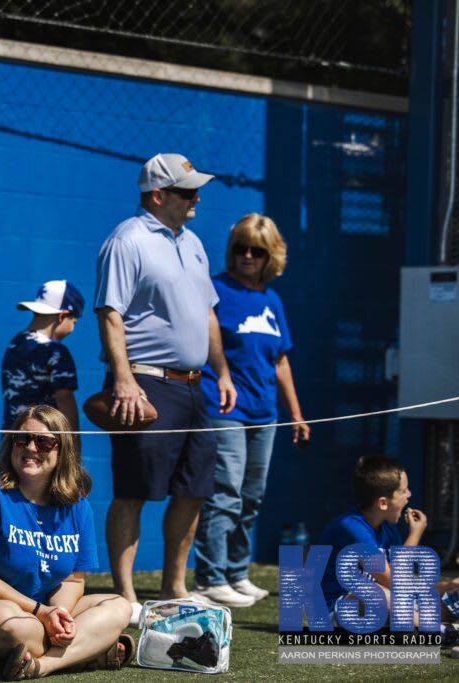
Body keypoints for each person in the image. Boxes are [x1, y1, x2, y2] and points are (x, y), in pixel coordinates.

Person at [93, 153, 237, 623]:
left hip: (195, 388)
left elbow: (208, 313)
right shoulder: (126, 239)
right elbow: (110, 313)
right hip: (146, 383)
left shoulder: (193, 241)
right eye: (187, 191)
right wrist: (124, 380)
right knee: (134, 490)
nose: (197, 198)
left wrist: (223, 372)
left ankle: (175, 587)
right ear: (158, 195)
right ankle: (126, 597)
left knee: (194, 489)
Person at [0, 405, 134, 680]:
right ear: (11, 444)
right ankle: (89, 650)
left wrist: (60, 617)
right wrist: (41, 613)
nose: (31, 448)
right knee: (19, 626)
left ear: (62, 450)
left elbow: (73, 580)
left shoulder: (77, 505)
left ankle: (43, 665)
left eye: (43, 441)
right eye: (23, 439)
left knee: (118, 606)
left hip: (41, 611)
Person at [193, 214, 309, 607]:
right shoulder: (216, 291)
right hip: (224, 406)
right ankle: (210, 577)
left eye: (256, 251)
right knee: (225, 492)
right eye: (240, 248)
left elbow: (281, 361)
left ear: (270, 256)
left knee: (251, 495)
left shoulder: (271, 300)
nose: (246, 256)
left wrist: (296, 413)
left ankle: (236, 572)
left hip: (265, 412)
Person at [318, 456, 459, 631]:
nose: (409, 495)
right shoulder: (349, 527)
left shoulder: (388, 528)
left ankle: (429, 626)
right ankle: (437, 629)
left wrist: (447, 588)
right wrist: (415, 536)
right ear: (383, 503)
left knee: (454, 589)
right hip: (341, 610)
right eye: (403, 490)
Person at [1, 280, 84, 431]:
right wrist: (74, 445)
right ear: (62, 316)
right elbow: (65, 400)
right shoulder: (56, 352)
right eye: (74, 322)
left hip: (11, 440)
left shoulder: (15, 344)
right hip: (43, 442)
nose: (72, 329)